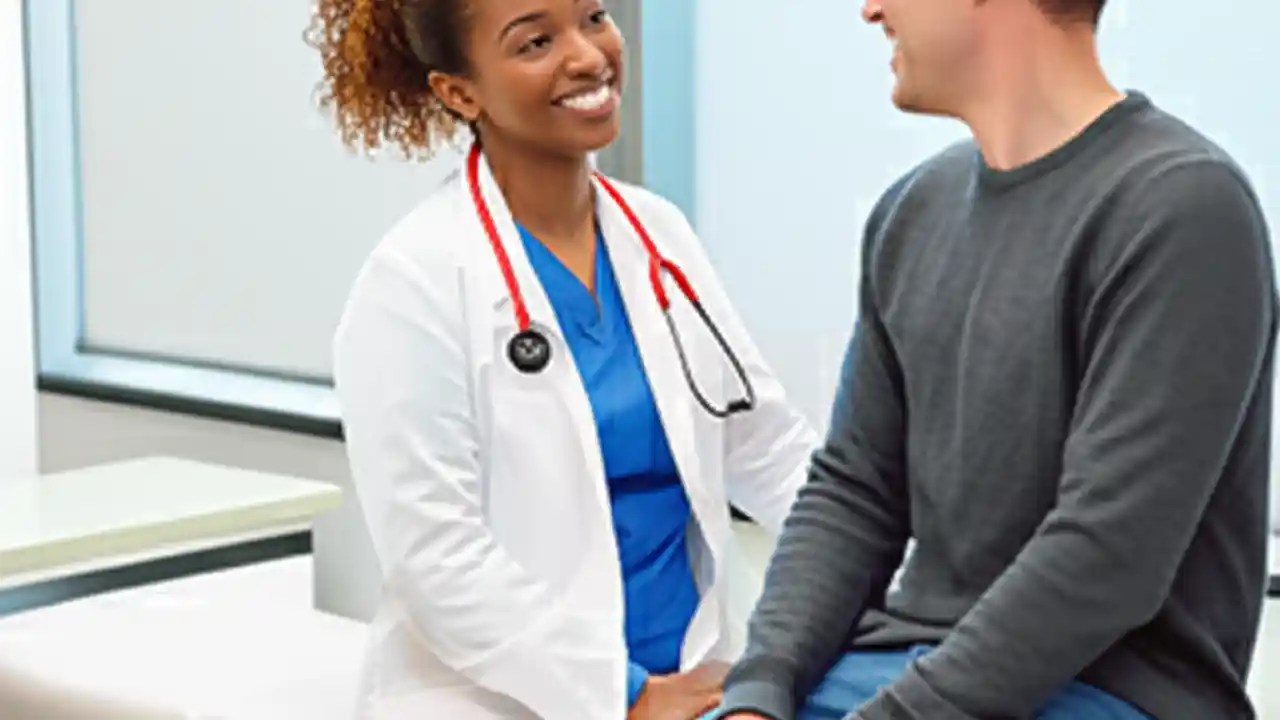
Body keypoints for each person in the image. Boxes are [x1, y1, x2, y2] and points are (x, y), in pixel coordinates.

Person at [715, 0, 1276, 719]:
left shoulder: (1182, 208)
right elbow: (854, 494)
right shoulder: (913, 211)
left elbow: (1106, 554)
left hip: (1108, 692)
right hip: (901, 671)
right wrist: (758, 692)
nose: (871, 9)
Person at [310, 1, 818, 718]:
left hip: (694, 679)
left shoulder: (659, 235)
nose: (587, 55)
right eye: (537, 41)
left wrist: (909, 580)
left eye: (594, 16)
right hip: (503, 699)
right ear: (460, 92)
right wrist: (628, 696)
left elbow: (767, 449)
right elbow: (437, 559)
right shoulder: (413, 282)